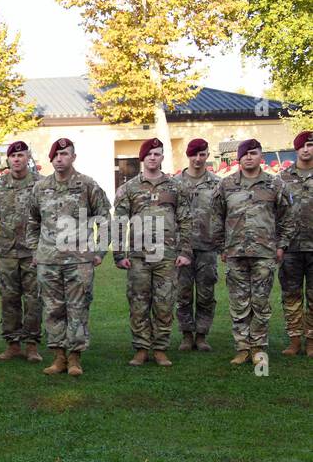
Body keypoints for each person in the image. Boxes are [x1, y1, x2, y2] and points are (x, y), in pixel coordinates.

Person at [26, 137, 110, 377]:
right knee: (52, 309)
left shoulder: (86, 185)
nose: (59, 159)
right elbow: (32, 221)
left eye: (64, 154)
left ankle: (75, 358)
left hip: (78, 260)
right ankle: (58, 357)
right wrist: (35, 250)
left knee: (78, 308)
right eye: (56, 155)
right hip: (48, 260)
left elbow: (104, 217)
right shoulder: (40, 188)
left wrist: (99, 250)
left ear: (74, 157)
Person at [212, 138, 293, 366]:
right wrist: (222, 247)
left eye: (253, 153)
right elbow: (216, 217)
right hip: (235, 252)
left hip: (264, 253)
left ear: (261, 156)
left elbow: (287, 216)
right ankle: (242, 348)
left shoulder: (274, 184)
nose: (249, 157)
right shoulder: (225, 185)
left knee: (261, 302)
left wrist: (281, 245)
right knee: (239, 302)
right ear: (239, 158)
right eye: (245, 154)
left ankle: (258, 347)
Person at [112, 138, 192, 367]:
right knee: (138, 303)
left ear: (162, 157)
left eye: (157, 154)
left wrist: (185, 251)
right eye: (149, 154)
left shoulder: (175, 187)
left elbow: (185, 220)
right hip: (138, 256)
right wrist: (119, 254)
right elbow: (119, 221)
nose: (153, 158)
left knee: (164, 303)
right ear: (142, 158)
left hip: (167, 256)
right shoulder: (129, 188)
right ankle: (140, 348)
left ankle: (160, 348)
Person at [0, 141, 42, 360]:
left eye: (21, 155)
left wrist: (43, 250)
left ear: (28, 157)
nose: (17, 159)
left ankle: (32, 345)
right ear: (8, 160)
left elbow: (47, 220)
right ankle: (12, 344)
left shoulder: (40, 184)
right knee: (9, 299)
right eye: (13, 156)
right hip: (7, 252)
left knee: (34, 300)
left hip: (33, 252)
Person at [173, 138, 222, 351]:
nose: (198, 159)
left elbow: (223, 214)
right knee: (182, 293)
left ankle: (201, 335)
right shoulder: (174, 183)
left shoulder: (218, 183)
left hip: (208, 246)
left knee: (206, 293)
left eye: (202, 154)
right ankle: (186, 334)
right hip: (181, 247)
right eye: (194, 154)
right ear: (188, 155)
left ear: (207, 156)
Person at [279, 130, 313, 356]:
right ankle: (294, 340)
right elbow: (275, 212)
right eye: (302, 146)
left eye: (310, 145)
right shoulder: (282, 179)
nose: (306, 149)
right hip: (290, 247)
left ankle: (311, 340)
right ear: (296, 149)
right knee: (291, 295)